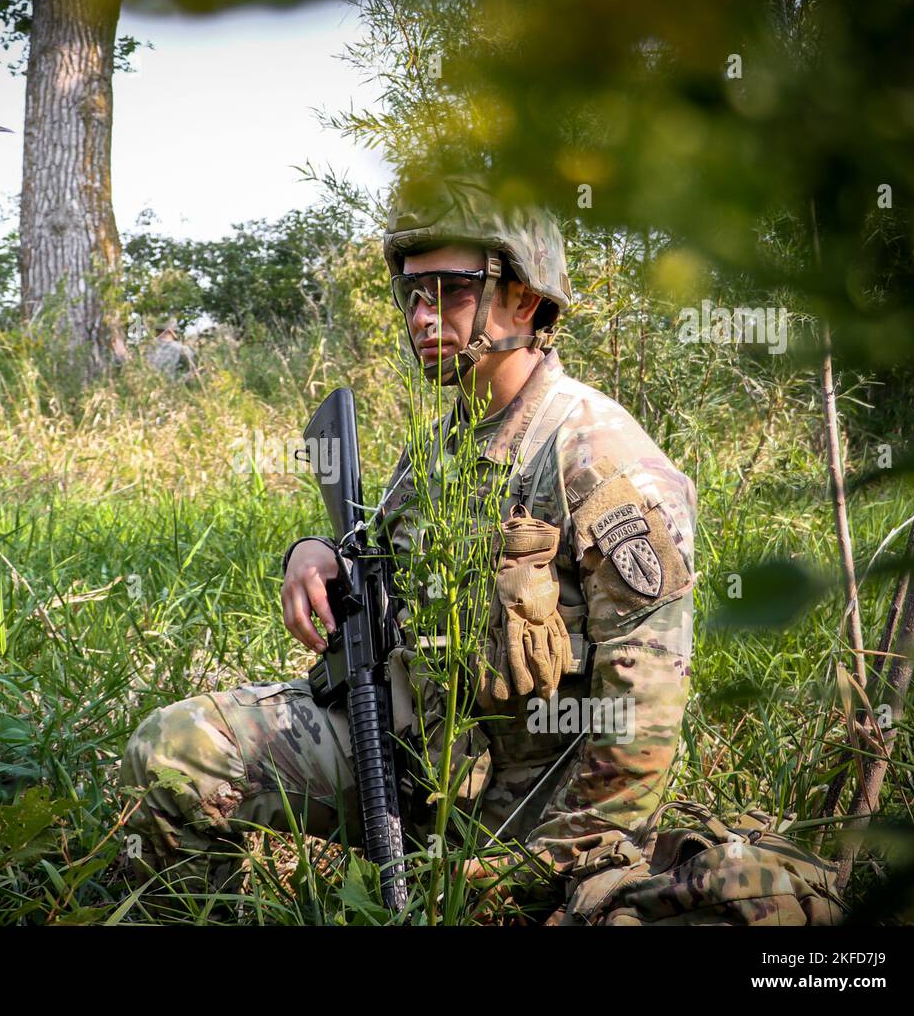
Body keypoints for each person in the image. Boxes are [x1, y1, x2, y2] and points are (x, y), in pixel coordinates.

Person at [118, 175, 697, 921]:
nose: (424, 316)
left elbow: (639, 740)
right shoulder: (446, 445)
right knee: (176, 750)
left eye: (454, 291)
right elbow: (375, 560)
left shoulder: (601, 460)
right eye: (412, 294)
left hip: (539, 829)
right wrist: (316, 552)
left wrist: (513, 883)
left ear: (527, 300)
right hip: (419, 765)